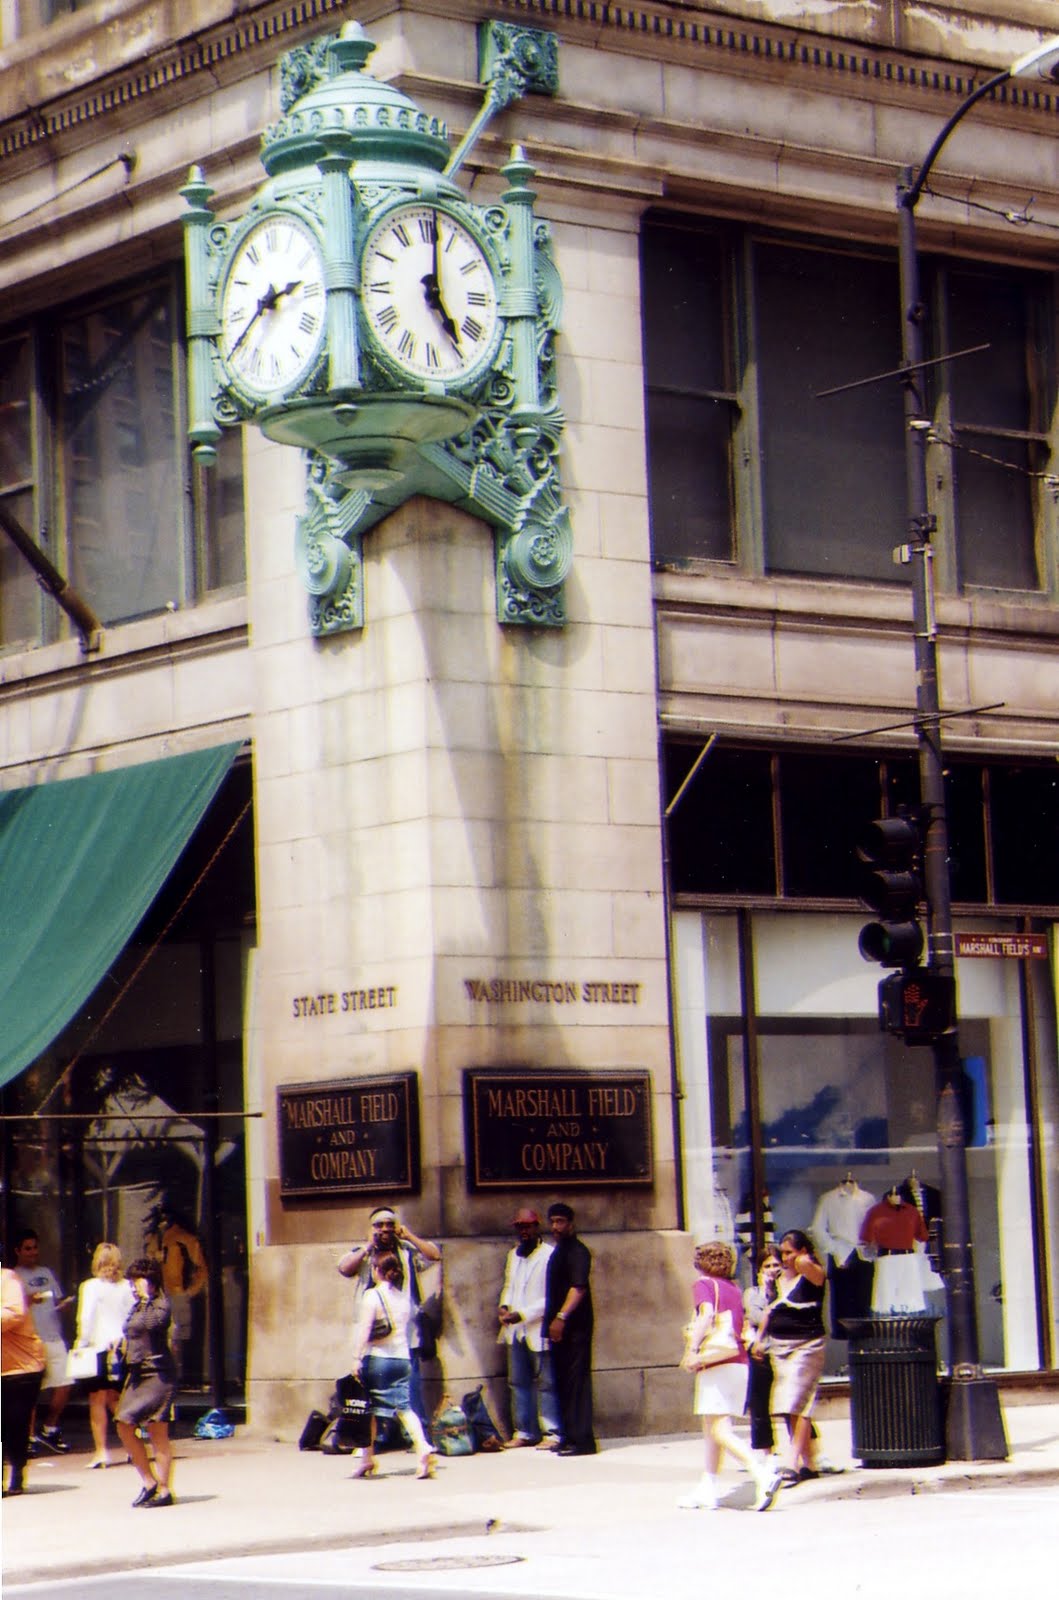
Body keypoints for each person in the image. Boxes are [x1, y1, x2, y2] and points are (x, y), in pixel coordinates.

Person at [679, 1241, 782, 1512]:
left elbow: (706, 1315)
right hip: (738, 1362)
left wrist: (692, 1349)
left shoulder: (704, 1285)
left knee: (719, 1430)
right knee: (712, 1429)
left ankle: (762, 1472)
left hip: (716, 1363)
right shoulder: (733, 1289)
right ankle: (708, 1487)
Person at [338, 1205, 441, 1439]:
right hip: (374, 1337)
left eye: (389, 1225)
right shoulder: (364, 1253)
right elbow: (344, 1268)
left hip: (404, 1334)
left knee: (409, 1387)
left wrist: (409, 1236)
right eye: (379, 1225)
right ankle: (379, 1437)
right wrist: (367, 1247)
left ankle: (416, 1436)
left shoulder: (406, 1252)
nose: (384, 1229)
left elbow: (434, 1255)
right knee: (374, 1390)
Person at [348, 1251, 435, 1480]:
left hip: (378, 1359)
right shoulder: (403, 1297)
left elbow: (364, 1330)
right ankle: (422, 1447)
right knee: (404, 1407)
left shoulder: (372, 1296)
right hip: (402, 1358)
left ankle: (367, 1458)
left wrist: (356, 1358)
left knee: (368, 1411)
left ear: (377, 1270)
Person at [762, 1228, 827, 1482]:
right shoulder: (779, 1278)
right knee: (788, 1405)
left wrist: (803, 1259)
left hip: (806, 1345)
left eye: (790, 1252)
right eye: (783, 1253)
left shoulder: (812, 1274)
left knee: (799, 1401)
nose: (785, 1258)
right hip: (780, 1347)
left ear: (802, 1251)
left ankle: (791, 1460)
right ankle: (808, 1462)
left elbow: (815, 1272)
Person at [114, 1257, 178, 1508]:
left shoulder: (160, 1304)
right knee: (123, 1423)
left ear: (150, 1281)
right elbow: (129, 1329)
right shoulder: (138, 1306)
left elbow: (155, 1324)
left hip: (159, 1374)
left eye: (136, 1281)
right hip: (137, 1373)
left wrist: (148, 1296)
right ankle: (148, 1481)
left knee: (156, 1430)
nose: (131, 1286)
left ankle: (164, 1489)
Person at [497, 1207, 561, 1450]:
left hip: (536, 1328)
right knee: (518, 1381)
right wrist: (504, 1307)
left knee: (546, 1382)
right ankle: (524, 1431)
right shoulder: (514, 1255)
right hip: (515, 1331)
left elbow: (551, 1298)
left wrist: (522, 1314)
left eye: (528, 1227)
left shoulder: (549, 1255)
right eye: (520, 1227)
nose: (524, 1231)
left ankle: (552, 1432)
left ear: (537, 1228)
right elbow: (509, 1286)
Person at [12, 1227, 74, 1454]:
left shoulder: (46, 1272)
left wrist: (64, 1306)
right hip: (30, 1340)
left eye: (35, 1247)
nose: (32, 1252)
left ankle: (50, 1428)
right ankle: (28, 1437)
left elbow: (55, 1302)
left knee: (65, 1382)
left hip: (53, 1335)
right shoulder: (13, 1276)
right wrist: (26, 1300)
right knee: (30, 1390)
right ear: (18, 1251)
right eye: (27, 1249)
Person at [75, 1242, 136, 1470]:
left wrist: (80, 1343)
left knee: (97, 1401)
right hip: (122, 1346)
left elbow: (86, 1319)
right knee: (117, 1398)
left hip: (98, 1347)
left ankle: (102, 1450)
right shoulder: (127, 1286)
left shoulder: (90, 1287)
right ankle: (133, 1444)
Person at [543, 1201, 596, 1456]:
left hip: (575, 1329)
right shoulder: (558, 1251)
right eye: (553, 1221)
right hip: (559, 1331)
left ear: (571, 1224)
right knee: (562, 1382)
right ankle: (568, 1435)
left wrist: (561, 1317)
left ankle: (583, 1440)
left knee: (577, 1384)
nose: (556, 1226)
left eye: (560, 1221)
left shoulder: (577, 1251)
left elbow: (579, 1288)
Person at [144, 1204, 207, 1384]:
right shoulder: (157, 1239)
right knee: (165, 1336)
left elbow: (202, 1269)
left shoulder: (184, 1239)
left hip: (178, 1293)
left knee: (180, 1336)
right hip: (161, 1295)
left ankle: (183, 1376)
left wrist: (190, 1291)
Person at [1, 1264, 47, 1496]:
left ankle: (18, 1471)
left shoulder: (8, 1279)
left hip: (21, 1368)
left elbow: (14, 1313)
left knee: (15, 1424)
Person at [742, 1245, 782, 1463]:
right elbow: (756, 1317)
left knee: (793, 1404)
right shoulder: (752, 1293)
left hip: (783, 1351)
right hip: (761, 1354)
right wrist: (768, 1294)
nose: (772, 1270)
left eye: (776, 1265)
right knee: (760, 1405)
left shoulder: (788, 1289)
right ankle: (766, 1452)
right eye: (767, 1266)